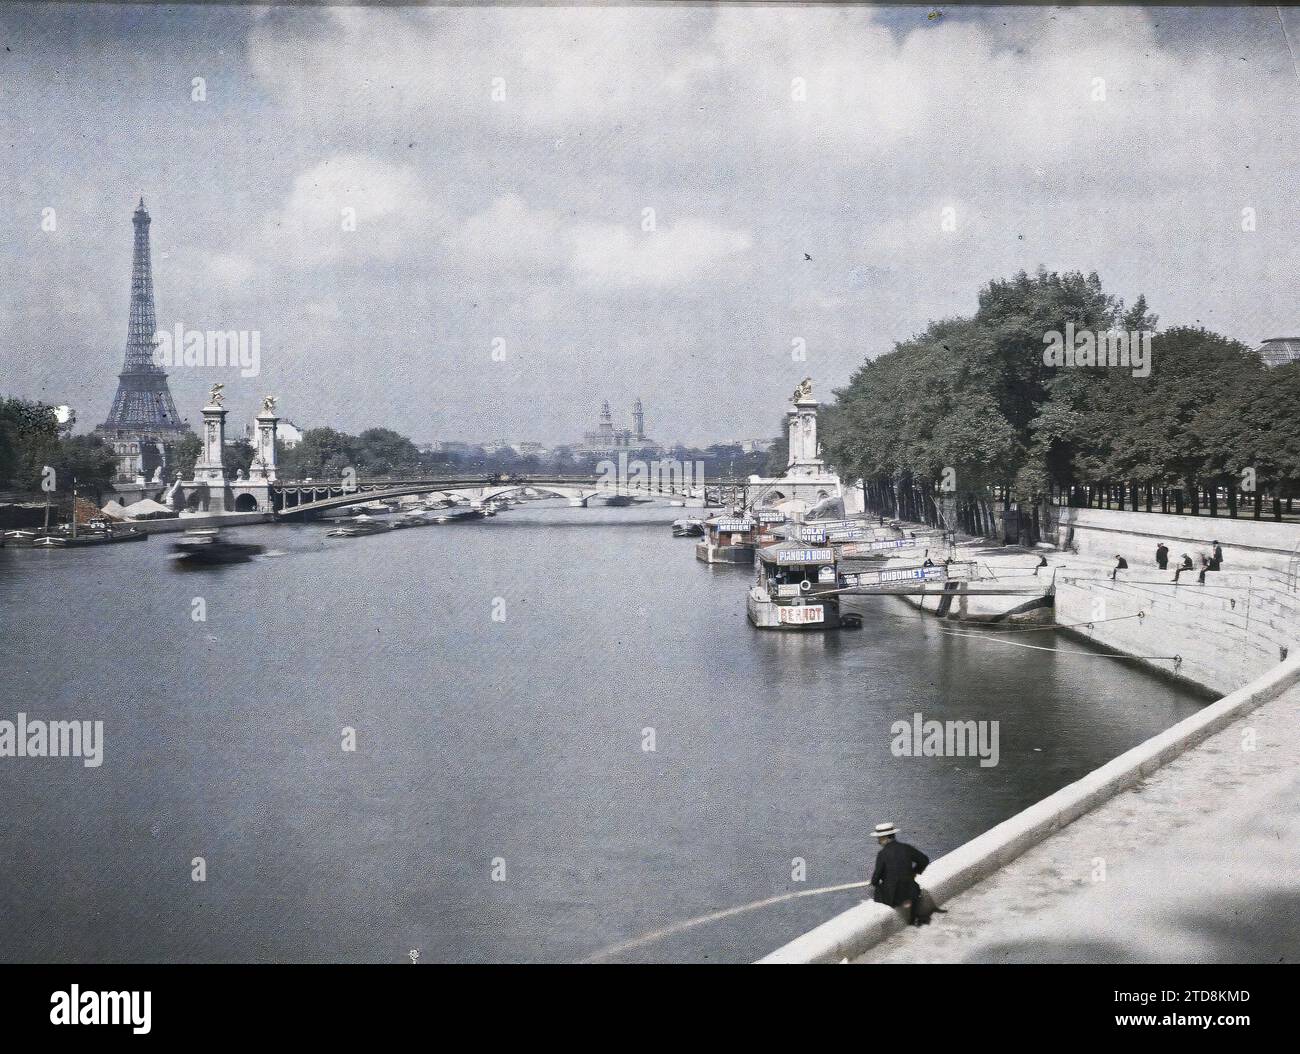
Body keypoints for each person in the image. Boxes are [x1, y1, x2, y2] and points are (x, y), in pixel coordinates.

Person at [870, 821, 932, 926]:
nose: (878, 841)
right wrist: (914, 872)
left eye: (879, 838)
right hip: (912, 893)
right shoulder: (906, 848)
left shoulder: (882, 854)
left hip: (895, 898)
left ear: (885, 838)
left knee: (877, 890)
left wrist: (881, 881)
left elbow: (875, 880)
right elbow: (924, 860)